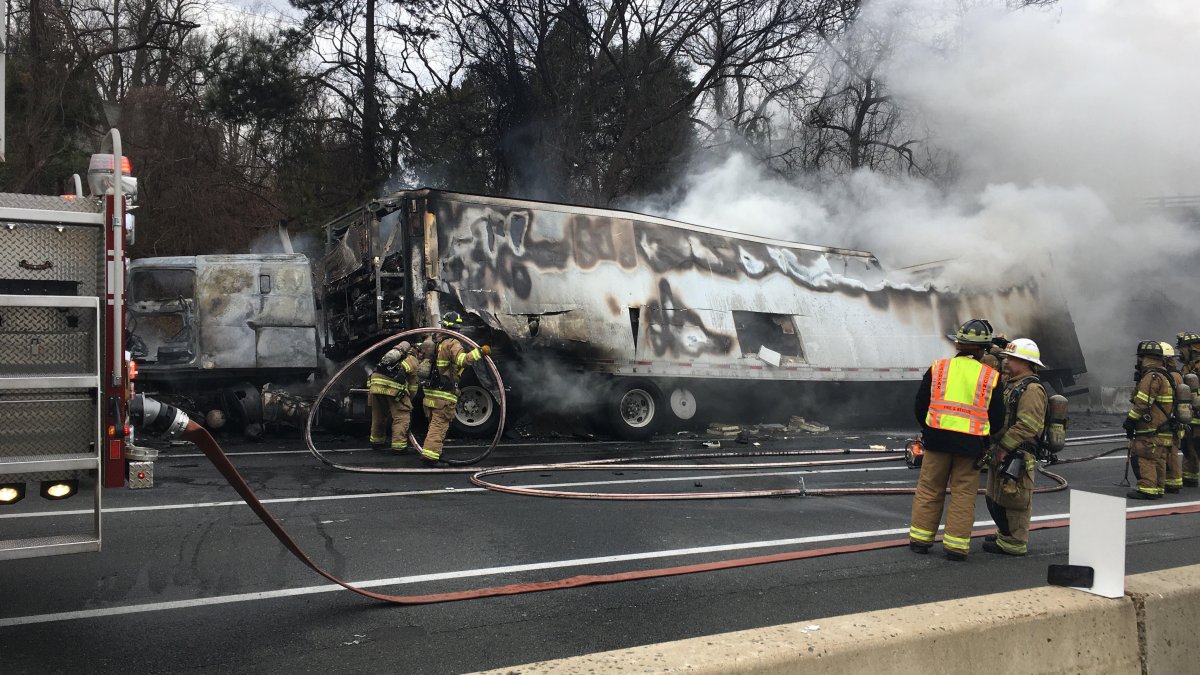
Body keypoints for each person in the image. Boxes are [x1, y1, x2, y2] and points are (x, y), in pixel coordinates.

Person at [910, 318, 1005, 561]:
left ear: (958, 345)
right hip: (971, 444)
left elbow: (921, 405)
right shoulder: (990, 376)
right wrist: (982, 435)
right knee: (963, 493)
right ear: (983, 349)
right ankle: (955, 546)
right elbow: (997, 418)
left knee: (930, 488)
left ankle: (920, 540)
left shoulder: (939, 368)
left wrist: (930, 427)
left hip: (937, 439)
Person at [983, 338, 1047, 557]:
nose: (1007, 362)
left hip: (1018, 453)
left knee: (1015, 499)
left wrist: (1004, 447)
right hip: (1003, 449)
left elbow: (1028, 425)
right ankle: (1005, 533)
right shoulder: (1012, 384)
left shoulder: (1032, 389)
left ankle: (1015, 542)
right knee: (996, 496)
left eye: (1012, 358)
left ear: (1026, 363)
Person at [418, 311, 491, 466]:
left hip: (430, 391)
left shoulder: (433, 341)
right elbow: (462, 361)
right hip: (443, 393)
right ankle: (431, 457)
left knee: (433, 424)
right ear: (457, 328)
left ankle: (433, 450)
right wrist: (480, 352)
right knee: (439, 425)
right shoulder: (452, 343)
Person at [1123, 341, 1174, 500]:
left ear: (1144, 358)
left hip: (1151, 427)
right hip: (1163, 426)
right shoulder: (1165, 375)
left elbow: (1142, 403)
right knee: (1158, 457)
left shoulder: (1150, 377)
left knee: (1145, 455)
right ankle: (1158, 487)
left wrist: (1130, 420)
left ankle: (1147, 488)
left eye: (1140, 358)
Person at [368, 341, 418, 452]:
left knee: (378, 416)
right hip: (391, 389)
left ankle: (377, 442)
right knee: (401, 417)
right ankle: (399, 447)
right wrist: (409, 399)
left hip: (374, 387)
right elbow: (413, 385)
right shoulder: (412, 359)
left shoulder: (390, 355)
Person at [1159, 342, 1185, 494]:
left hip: (1168, 419)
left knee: (1167, 451)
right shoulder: (1177, 374)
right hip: (1176, 418)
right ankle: (1174, 481)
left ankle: (1170, 481)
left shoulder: (1167, 375)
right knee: (1172, 450)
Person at [1176, 332, 1200, 487]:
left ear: (1192, 347)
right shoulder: (1187, 367)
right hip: (1190, 416)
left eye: (1183, 348)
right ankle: (1190, 477)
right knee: (1188, 447)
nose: (1180, 351)